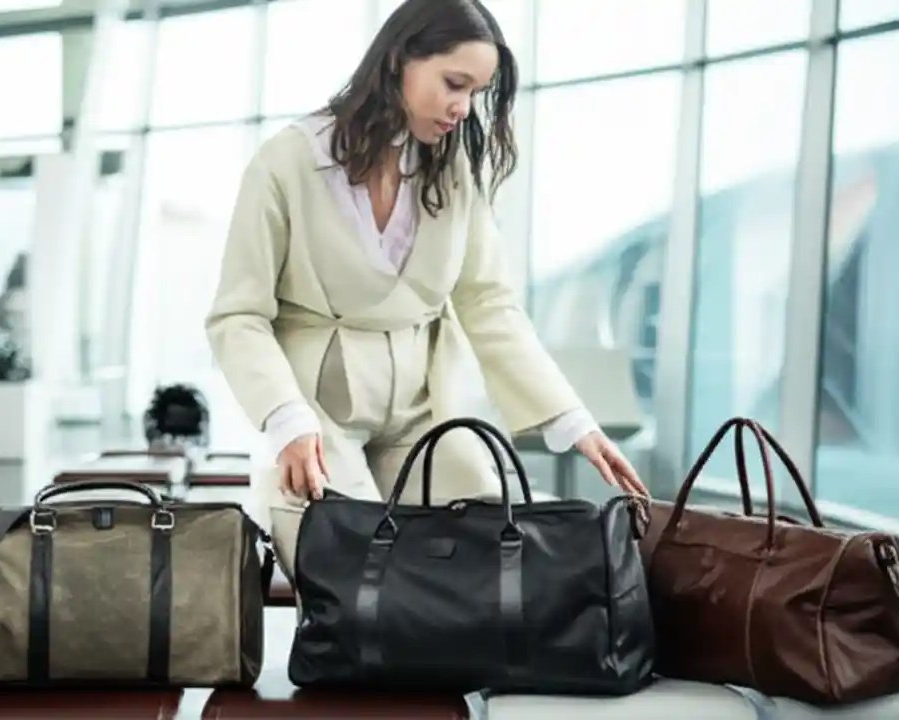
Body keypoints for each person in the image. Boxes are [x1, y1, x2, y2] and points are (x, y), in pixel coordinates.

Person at [206, 0, 648, 581]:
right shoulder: (288, 161)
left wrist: (573, 423)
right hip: (319, 413)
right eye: (454, 84)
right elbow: (238, 315)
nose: (463, 109)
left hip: (421, 410)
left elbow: (488, 302)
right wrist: (287, 421)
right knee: (354, 567)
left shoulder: (451, 169)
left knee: (487, 537)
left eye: (476, 93)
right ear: (399, 60)